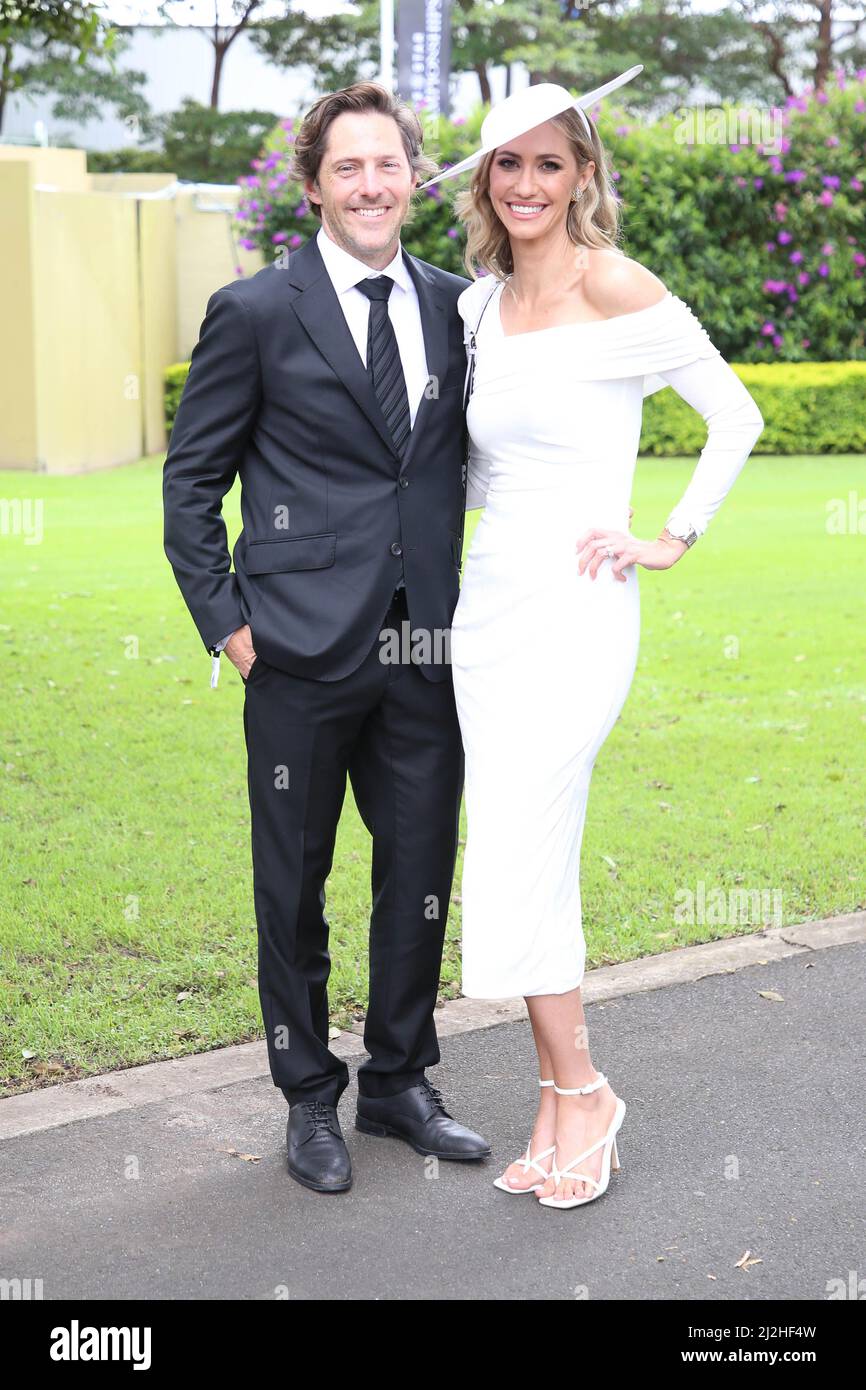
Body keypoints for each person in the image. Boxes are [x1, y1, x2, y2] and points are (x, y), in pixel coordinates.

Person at [416, 68, 765, 1210]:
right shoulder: (473, 306)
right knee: (520, 847)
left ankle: (584, 1088)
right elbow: (468, 471)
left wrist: (670, 535)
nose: (525, 183)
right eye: (505, 163)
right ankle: (560, 1098)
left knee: (521, 835)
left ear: (581, 177)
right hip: (488, 613)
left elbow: (733, 413)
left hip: (576, 613)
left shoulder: (616, 285)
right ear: (483, 179)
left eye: (547, 162)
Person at [163, 82, 490, 1195]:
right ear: (312, 186)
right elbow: (191, 481)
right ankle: (310, 1094)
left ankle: (400, 1078)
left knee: (418, 873)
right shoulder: (253, 310)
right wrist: (230, 628)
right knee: (290, 883)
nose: (369, 185)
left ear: (411, 176)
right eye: (346, 168)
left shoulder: (456, 307)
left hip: (423, 653)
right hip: (296, 653)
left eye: (386, 165)